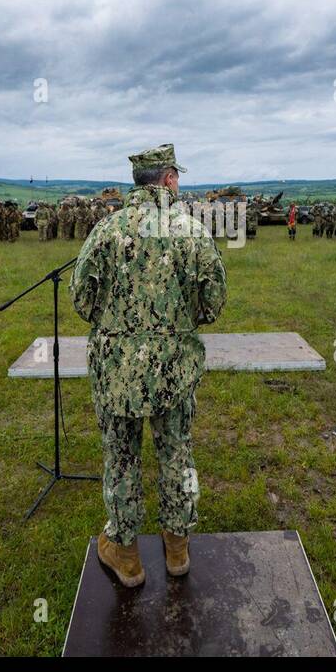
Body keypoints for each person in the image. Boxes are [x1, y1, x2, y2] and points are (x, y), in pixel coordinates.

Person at [70, 143, 227, 589]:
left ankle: (127, 557)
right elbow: (213, 302)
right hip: (175, 371)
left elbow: (82, 300)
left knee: (120, 459)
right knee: (176, 453)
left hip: (117, 372)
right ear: (170, 178)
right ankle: (177, 547)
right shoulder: (192, 232)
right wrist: (177, 324)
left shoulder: (105, 231)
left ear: (138, 181)